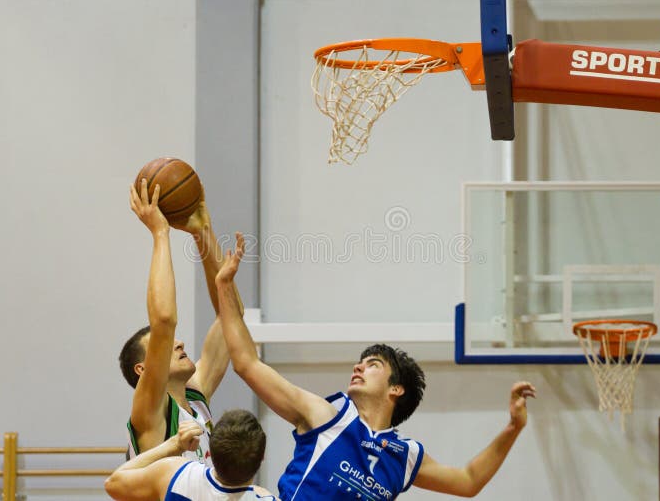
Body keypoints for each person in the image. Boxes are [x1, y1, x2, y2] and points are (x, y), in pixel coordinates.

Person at [215, 232, 537, 500]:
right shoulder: (327, 415)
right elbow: (246, 364)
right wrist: (225, 286)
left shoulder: (404, 456)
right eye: (359, 362)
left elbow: (468, 481)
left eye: (372, 364)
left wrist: (513, 428)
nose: (358, 367)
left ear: (396, 388)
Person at [119, 179, 243, 464]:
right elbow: (164, 320)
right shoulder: (149, 410)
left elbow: (232, 318)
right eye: (162, 346)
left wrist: (202, 232)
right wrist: (160, 233)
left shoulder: (195, 397)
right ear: (142, 369)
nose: (179, 343)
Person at [105, 413, 278, 501]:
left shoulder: (176, 475)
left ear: (210, 450)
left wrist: (173, 444)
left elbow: (113, 484)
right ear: (262, 457)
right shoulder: (265, 498)